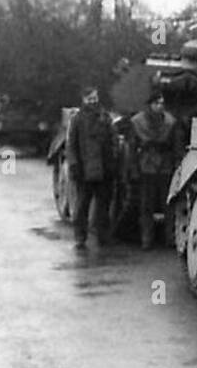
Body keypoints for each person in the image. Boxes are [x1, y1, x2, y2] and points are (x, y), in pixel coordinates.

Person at [128, 91, 181, 250]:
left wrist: (177, 165)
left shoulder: (170, 122)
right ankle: (146, 239)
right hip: (146, 165)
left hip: (165, 166)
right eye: (157, 103)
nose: (160, 106)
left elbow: (177, 146)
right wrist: (133, 169)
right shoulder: (137, 122)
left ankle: (170, 237)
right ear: (150, 105)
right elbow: (132, 147)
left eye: (162, 104)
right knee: (146, 205)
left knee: (168, 205)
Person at [67, 86, 118, 251]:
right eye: (90, 98)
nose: (93, 101)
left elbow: (113, 140)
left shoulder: (105, 117)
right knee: (82, 206)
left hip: (103, 169)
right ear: (84, 100)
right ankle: (80, 237)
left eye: (95, 98)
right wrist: (74, 165)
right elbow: (71, 145)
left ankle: (103, 236)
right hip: (84, 170)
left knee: (103, 206)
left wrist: (113, 161)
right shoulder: (77, 119)